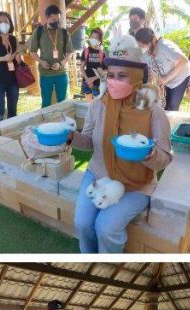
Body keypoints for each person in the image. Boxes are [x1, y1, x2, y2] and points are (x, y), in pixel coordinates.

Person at [67, 34, 173, 253]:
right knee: (83, 224)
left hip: (136, 185)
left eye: (122, 76)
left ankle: (109, 267)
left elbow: (164, 158)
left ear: (136, 78)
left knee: (105, 228)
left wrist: (147, 153)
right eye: (111, 75)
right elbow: (87, 143)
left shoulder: (153, 112)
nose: (113, 81)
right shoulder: (98, 105)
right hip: (98, 174)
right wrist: (69, 137)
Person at [134, 27, 190, 111]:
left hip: (180, 77)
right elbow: (150, 71)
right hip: (165, 81)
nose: (141, 48)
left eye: (143, 45)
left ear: (151, 41)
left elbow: (184, 61)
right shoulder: (143, 53)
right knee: (163, 107)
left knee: (172, 106)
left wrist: (166, 78)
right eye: (139, 45)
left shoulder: (165, 46)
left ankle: (171, 123)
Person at [27, 4, 72, 107]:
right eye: (54, 19)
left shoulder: (64, 32)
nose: (57, 22)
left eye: (58, 19)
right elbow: (32, 52)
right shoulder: (39, 31)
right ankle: (46, 123)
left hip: (61, 73)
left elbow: (69, 53)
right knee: (46, 103)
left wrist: (61, 63)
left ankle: (62, 122)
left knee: (63, 102)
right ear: (47, 18)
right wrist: (41, 62)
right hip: (45, 74)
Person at [80, 27, 106, 100]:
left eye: (96, 37)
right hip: (87, 83)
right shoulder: (86, 51)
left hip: (98, 85)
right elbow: (82, 68)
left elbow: (104, 72)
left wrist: (93, 79)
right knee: (89, 105)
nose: (93, 39)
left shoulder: (102, 54)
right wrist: (88, 80)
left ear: (100, 40)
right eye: (92, 37)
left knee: (98, 104)